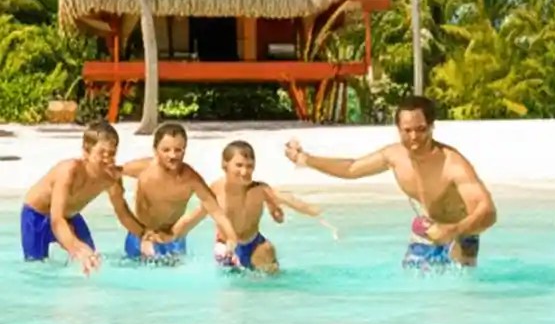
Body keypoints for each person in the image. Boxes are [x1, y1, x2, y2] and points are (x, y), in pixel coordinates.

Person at [284, 96, 496, 269]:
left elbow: (488, 211)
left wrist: (452, 230)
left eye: (421, 129)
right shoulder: (394, 156)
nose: (414, 137)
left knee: (456, 298)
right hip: (428, 228)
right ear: (398, 129)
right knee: (415, 288)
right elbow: (351, 168)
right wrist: (305, 159)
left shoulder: (453, 164)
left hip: (461, 233)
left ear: (432, 127)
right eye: (407, 130)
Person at [170, 140, 335, 274]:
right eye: (239, 165)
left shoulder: (259, 189)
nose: (245, 171)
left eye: (249, 166)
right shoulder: (216, 190)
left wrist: (319, 214)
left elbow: (289, 200)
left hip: (253, 242)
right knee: (235, 294)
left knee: (268, 254)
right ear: (225, 165)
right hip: (227, 246)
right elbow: (192, 218)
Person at [20, 120, 152, 275]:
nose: (107, 159)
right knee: (36, 269)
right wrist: (74, 246)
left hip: (70, 216)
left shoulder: (110, 178)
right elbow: (56, 220)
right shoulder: (69, 171)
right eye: (101, 153)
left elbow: (123, 213)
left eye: (112, 154)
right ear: (86, 152)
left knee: (93, 262)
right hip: (36, 216)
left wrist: (145, 235)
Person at [118, 122, 244, 265]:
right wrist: (120, 199)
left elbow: (214, 209)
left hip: (172, 238)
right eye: (166, 150)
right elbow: (111, 174)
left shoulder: (190, 179)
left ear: (185, 150)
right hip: (139, 235)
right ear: (155, 150)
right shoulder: (143, 169)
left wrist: (231, 237)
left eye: (178, 150)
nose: (172, 155)